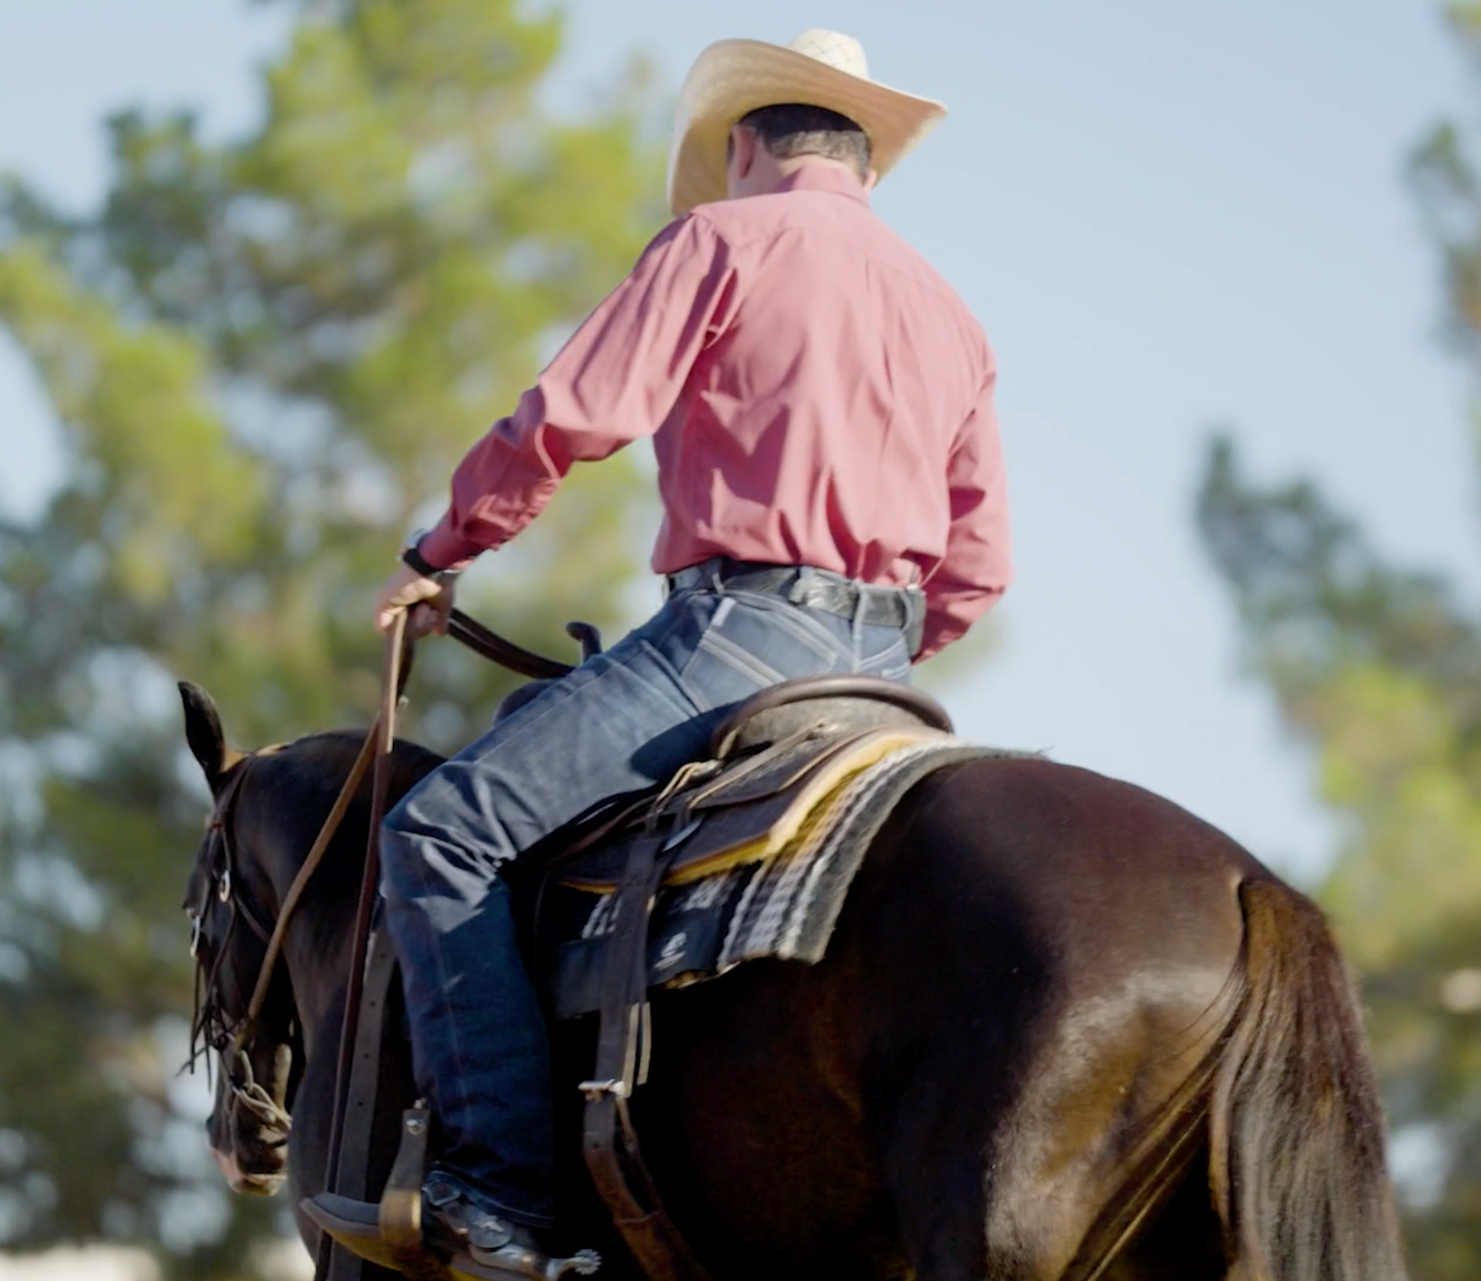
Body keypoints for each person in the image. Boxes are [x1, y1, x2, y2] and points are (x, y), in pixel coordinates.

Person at [307, 27, 1012, 1281]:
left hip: (741, 632)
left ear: (745, 144)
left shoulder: (717, 242)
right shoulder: (951, 314)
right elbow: (974, 570)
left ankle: (501, 1199)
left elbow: (572, 418)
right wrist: (885, 647)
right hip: (889, 676)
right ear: (855, 156)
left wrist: (440, 551)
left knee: (441, 836)